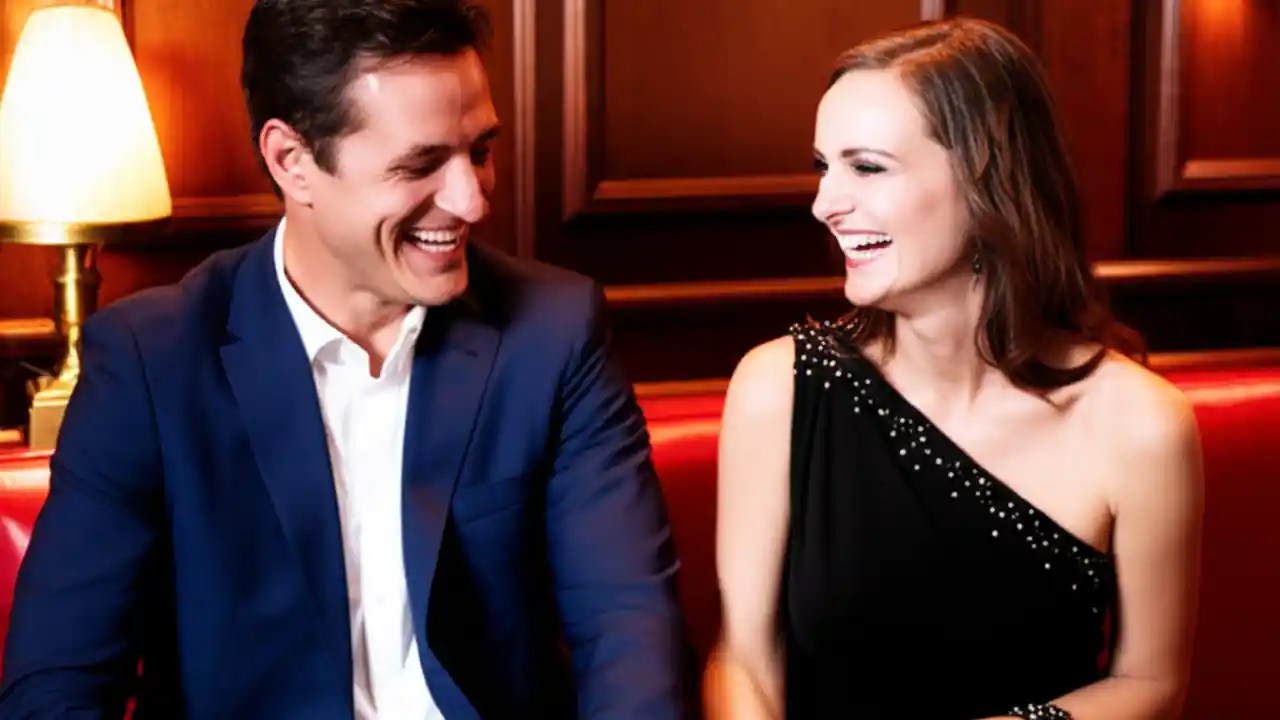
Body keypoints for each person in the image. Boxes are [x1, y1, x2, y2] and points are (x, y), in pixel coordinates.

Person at [0, 1, 691, 716]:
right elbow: (58, 684)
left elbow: (628, 628)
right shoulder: (149, 361)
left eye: (479, 151)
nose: (471, 199)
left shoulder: (554, 330)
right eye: (421, 165)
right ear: (292, 161)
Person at [708, 18, 1203, 720]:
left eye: (868, 167)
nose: (824, 204)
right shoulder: (778, 388)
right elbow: (743, 657)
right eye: (825, 166)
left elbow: (1150, 682)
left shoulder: (1141, 423)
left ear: (989, 178)